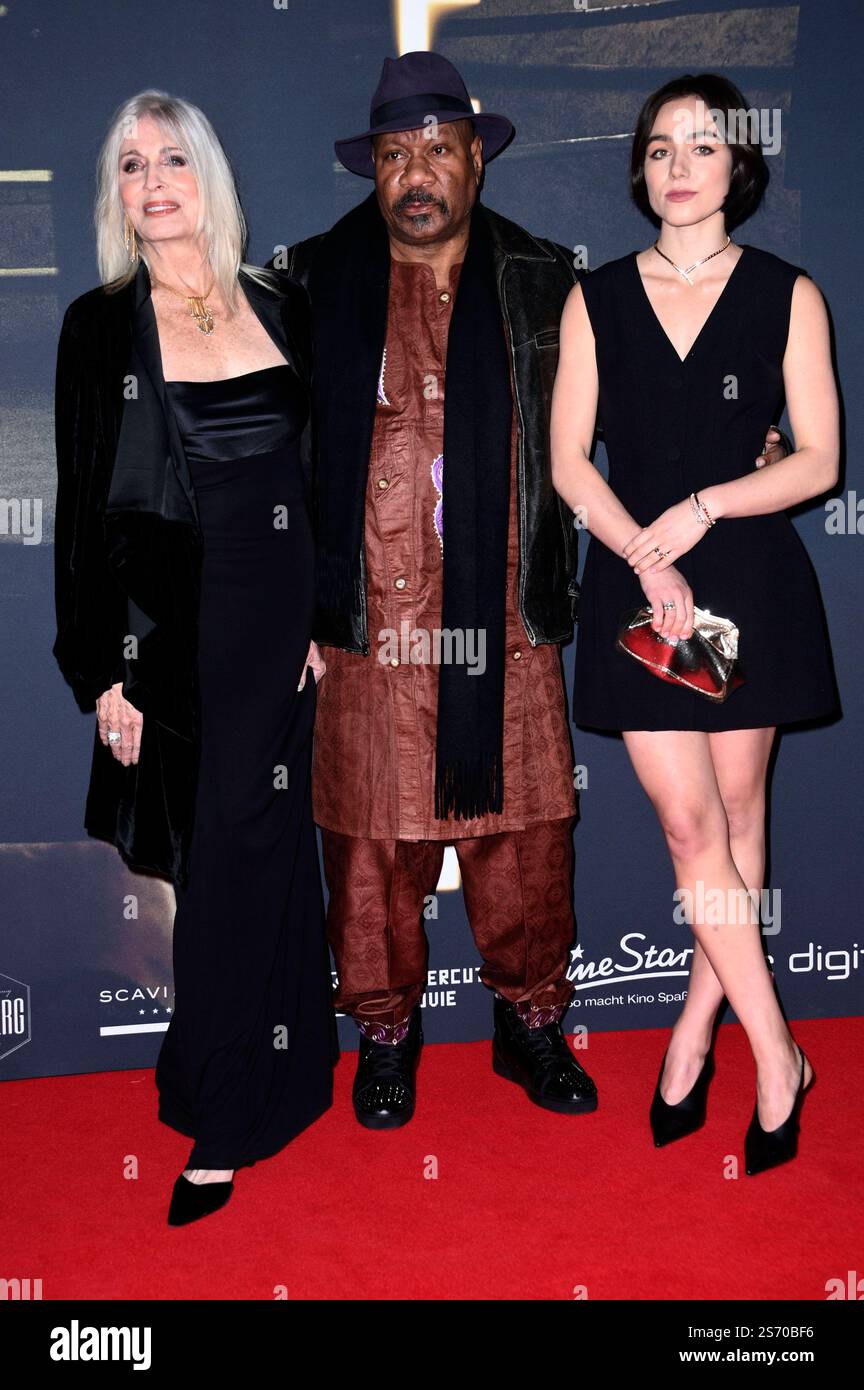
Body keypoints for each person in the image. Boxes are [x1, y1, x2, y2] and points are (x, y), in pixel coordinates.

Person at [270, 52, 784, 1130]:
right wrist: (293, 605)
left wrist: (750, 441)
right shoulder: (311, 282)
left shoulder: (549, 279)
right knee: (369, 853)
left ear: (477, 160)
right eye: (395, 154)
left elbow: (634, 416)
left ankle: (532, 1024)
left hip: (508, 620)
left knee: (528, 844)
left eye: (438, 149)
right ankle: (385, 1032)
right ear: (373, 171)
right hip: (366, 625)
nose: (418, 172)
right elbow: (271, 456)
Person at [53, 90, 337, 1224]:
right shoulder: (99, 325)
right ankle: (220, 1105)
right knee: (218, 861)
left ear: (206, 174)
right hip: (180, 628)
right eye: (131, 166)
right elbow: (83, 514)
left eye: (173, 158)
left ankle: (288, 1067)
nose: (155, 180)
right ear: (116, 194)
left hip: (283, 621)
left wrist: (322, 620)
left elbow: (317, 479)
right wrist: (106, 673)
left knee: (272, 849)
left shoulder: (280, 302)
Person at [551, 73, 841, 1176]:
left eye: (703, 145)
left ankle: (689, 1030)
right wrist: (644, 553)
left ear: (739, 166)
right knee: (687, 827)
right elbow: (570, 459)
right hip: (638, 584)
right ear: (641, 169)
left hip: (751, 578)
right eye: (661, 147)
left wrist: (711, 502)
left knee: (735, 810)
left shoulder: (786, 293)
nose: (680, 165)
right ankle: (777, 1052)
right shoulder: (597, 299)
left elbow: (819, 460)